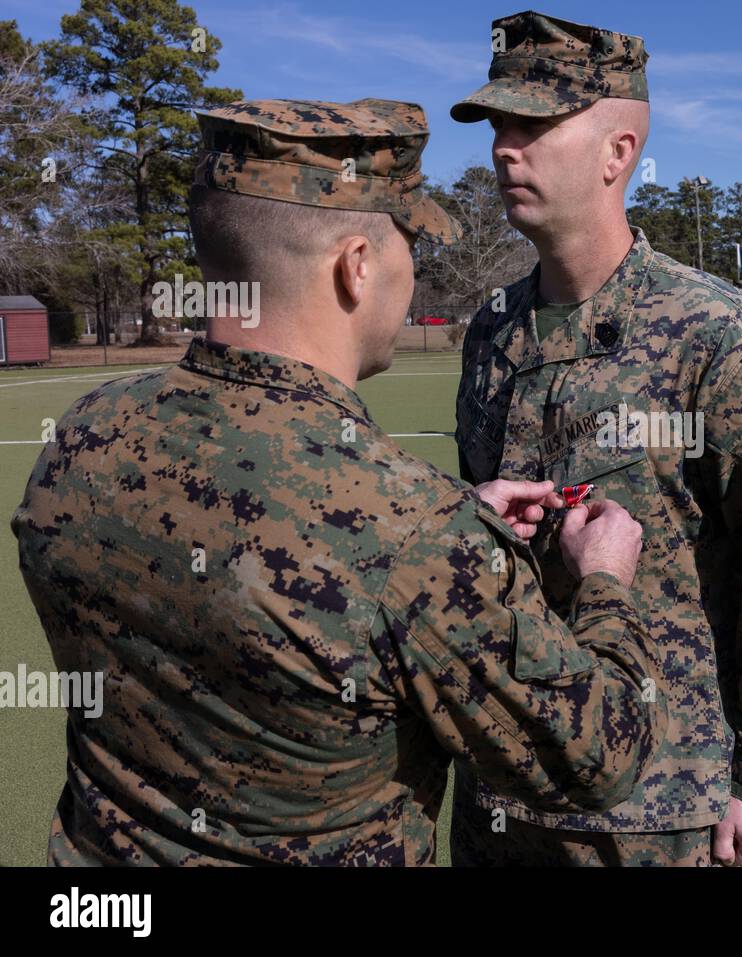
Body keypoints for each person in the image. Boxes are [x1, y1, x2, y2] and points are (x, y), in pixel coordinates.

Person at [10, 97, 667, 866]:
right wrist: (605, 584)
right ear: (357, 265)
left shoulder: (83, 433)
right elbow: (599, 755)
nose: (412, 273)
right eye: (409, 246)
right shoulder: (410, 531)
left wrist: (452, 525)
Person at [449, 11, 742, 867]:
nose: (503, 151)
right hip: (502, 788)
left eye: (534, 126)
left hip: (654, 806)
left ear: (617, 152)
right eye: (499, 128)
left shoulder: (716, 335)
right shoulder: (492, 331)